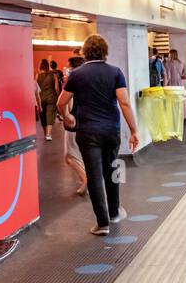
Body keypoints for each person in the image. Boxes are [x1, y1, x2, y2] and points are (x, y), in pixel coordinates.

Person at [58, 34, 140, 235]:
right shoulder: (115, 72)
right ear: (105, 52)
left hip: (87, 132)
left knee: (94, 176)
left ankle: (102, 224)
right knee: (112, 169)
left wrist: (67, 116)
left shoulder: (77, 74)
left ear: (85, 52)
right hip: (111, 130)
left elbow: (61, 102)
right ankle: (114, 213)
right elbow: (124, 102)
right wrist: (134, 130)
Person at [63, 56, 88, 196]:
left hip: (74, 124)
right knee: (81, 154)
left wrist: (66, 115)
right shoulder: (88, 81)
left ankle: (85, 179)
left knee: (70, 156)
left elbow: (64, 104)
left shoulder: (71, 83)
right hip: (86, 123)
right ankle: (84, 178)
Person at [37, 59, 60, 142]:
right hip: (51, 97)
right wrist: (58, 96)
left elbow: (36, 89)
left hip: (41, 98)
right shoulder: (54, 75)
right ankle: (48, 134)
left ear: (40, 66)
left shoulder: (37, 76)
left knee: (43, 116)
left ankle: (45, 134)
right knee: (50, 115)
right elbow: (56, 88)